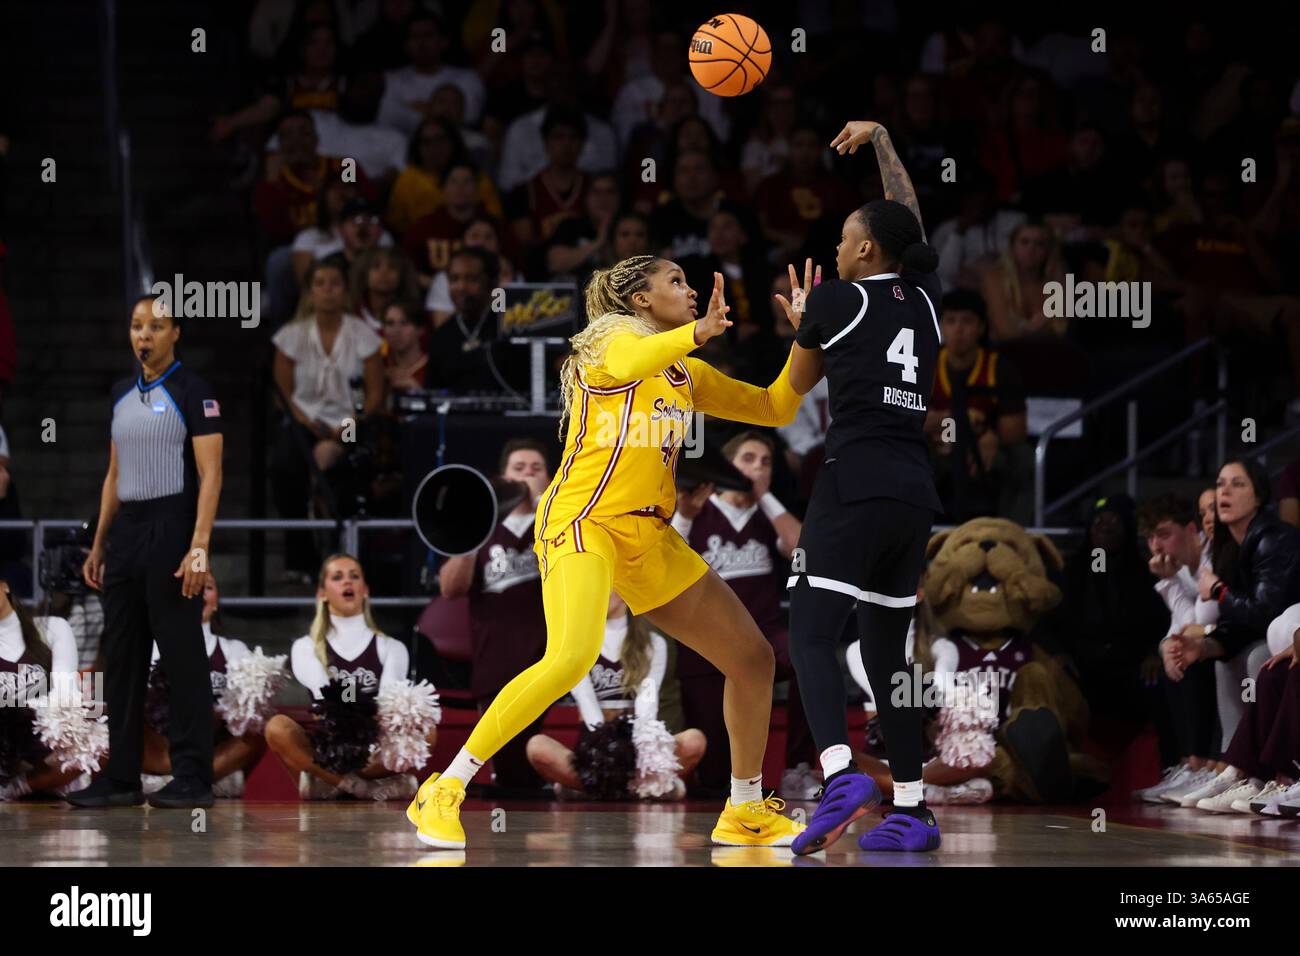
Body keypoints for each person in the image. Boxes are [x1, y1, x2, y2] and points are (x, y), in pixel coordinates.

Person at [409, 255, 816, 850]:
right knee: (571, 656)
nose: (690, 290)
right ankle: (445, 788)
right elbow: (629, 362)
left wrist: (809, 337)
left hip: (649, 533)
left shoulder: (684, 372)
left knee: (752, 658)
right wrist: (698, 332)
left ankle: (745, 808)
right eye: (676, 281)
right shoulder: (606, 340)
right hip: (584, 519)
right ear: (640, 299)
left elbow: (775, 406)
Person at [783, 118, 945, 854]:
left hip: (851, 485)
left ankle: (840, 773)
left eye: (846, 239)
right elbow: (909, 220)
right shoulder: (927, 299)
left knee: (811, 632)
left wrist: (800, 323)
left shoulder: (834, 302)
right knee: (887, 659)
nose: (838, 248)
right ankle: (912, 809)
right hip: (913, 495)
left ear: (868, 250)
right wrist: (883, 139)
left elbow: (794, 388)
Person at [70, 295, 224, 809]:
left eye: (156, 326)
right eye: (137, 326)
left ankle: (194, 776)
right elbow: (114, 474)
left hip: (172, 527)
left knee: (181, 656)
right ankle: (121, 777)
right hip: (127, 533)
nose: (144, 335)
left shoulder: (193, 390)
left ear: (175, 332)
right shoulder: (120, 394)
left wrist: (199, 546)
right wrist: (99, 542)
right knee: (122, 659)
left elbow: (211, 474)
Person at [671, 431, 817, 797]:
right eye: (748, 459)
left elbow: (803, 550)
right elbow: (665, 561)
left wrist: (764, 495)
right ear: (727, 466)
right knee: (714, 776)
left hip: (762, 636)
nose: (758, 468)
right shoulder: (699, 507)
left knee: (808, 658)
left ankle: (797, 768)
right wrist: (684, 515)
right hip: (705, 644)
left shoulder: (768, 514)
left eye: (766, 462)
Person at [1161, 458, 1300, 808]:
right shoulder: (1231, 545)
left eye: (1237, 484)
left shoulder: (1273, 539)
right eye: (1221, 483)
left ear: (1259, 496)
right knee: (1224, 659)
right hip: (1278, 632)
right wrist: (1208, 645)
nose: (1224, 491)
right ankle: (1232, 768)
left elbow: (1265, 612)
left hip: (1286, 631)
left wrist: (1219, 591)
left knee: (1259, 659)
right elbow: (1241, 621)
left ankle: (1269, 774)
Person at [437, 439, 552, 790]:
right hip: (495, 657)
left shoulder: (556, 526)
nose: (527, 475)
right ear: (503, 479)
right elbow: (450, 588)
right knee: (508, 762)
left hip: (546, 655)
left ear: (549, 479)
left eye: (535, 469)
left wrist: (545, 507)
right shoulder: (485, 524)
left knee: (534, 752)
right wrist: (473, 533)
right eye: (519, 468)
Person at [265, 553, 424, 801]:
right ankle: (361, 788)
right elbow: (324, 696)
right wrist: (349, 712)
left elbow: (388, 705)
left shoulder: (391, 647)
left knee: (427, 733)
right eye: (337, 577)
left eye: (354, 576)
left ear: (365, 590)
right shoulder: (306, 646)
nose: (347, 582)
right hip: (328, 747)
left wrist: (366, 738)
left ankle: (328, 785)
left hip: (374, 746)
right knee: (277, 727)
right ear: (322, 593)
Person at [526, 591, 705, 799]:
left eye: (607, 587)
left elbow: (647, 699)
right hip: (594, 748)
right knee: (537, 746)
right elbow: (585, 697)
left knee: (694, 740)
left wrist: (642, 749)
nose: (599, 593)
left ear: (623, 592)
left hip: (637, 745)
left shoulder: (653, 643)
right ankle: (643, 787)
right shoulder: (576, 643)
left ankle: (594, 788)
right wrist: (605, 746)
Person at [271, 259, 385, 580]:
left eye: (334, 283)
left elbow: (375, 394)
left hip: (350, 424)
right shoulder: (291, 335)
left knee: (344, 466)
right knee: (284, 465)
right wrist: (309, 425)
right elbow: (283, 394)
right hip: (304, 422)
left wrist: (344, 428)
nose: (327, 290)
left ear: (345, 290)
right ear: (309, 291)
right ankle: (299, 557)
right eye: (319, 283)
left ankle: (339, 551)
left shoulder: (363, 334)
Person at [140, 572, 266, 798]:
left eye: (207, 588)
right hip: (162, 745)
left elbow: (246, 713)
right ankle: (201, 779)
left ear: (216, 601)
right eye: (191, 586)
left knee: (259, 728)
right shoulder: (152, 647)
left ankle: (176, 781)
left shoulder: (235, 650)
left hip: (212, 745)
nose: (199, 595)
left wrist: (213, 714)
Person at [0, 579, 84, 800]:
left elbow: (65, 689)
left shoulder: (52, 627)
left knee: (100, 741)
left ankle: (15, 788)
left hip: (53, 752)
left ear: (5, 585)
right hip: (9, 752)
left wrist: (30, 705)